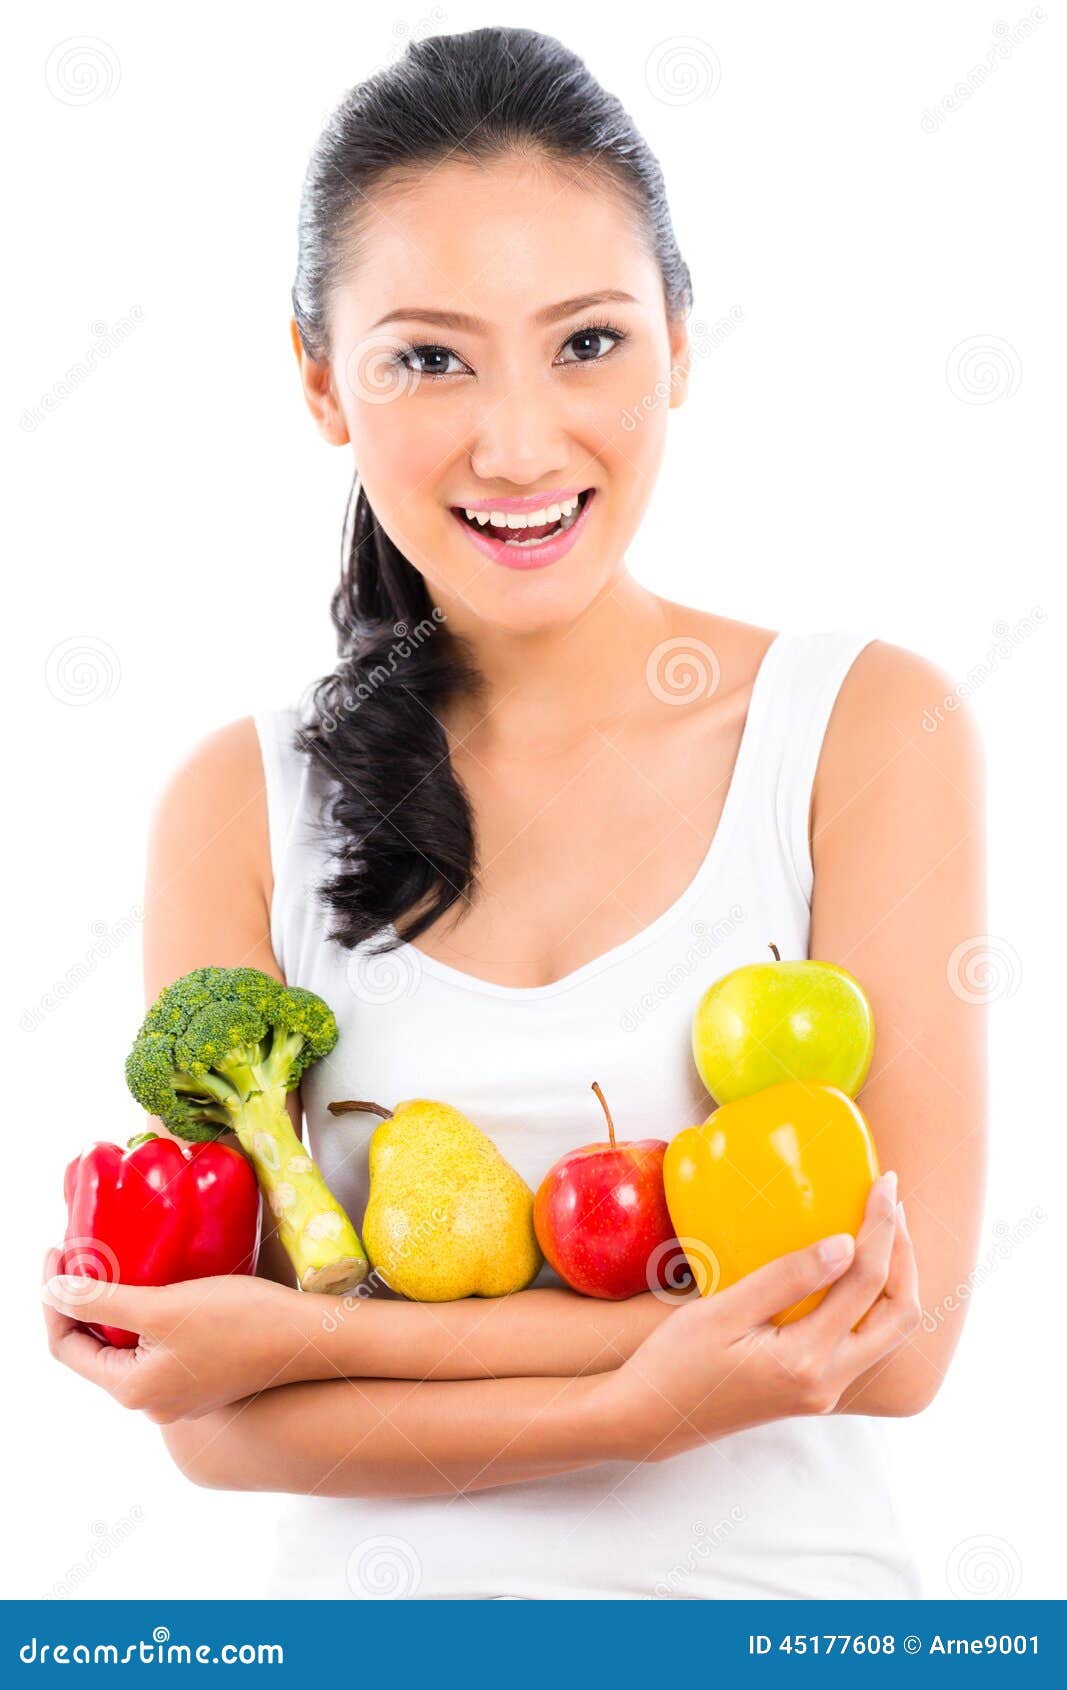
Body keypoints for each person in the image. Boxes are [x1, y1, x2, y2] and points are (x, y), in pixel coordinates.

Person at [42, 26, 986, 1600]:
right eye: (428, 355)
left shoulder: (863, 729)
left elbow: (900, 1337)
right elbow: (210, 1423)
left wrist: (306, 1333)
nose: (524, 442)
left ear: (682, 340)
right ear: (318, 381)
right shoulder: (235, 800)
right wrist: (643, 1394)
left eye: (589, 341)